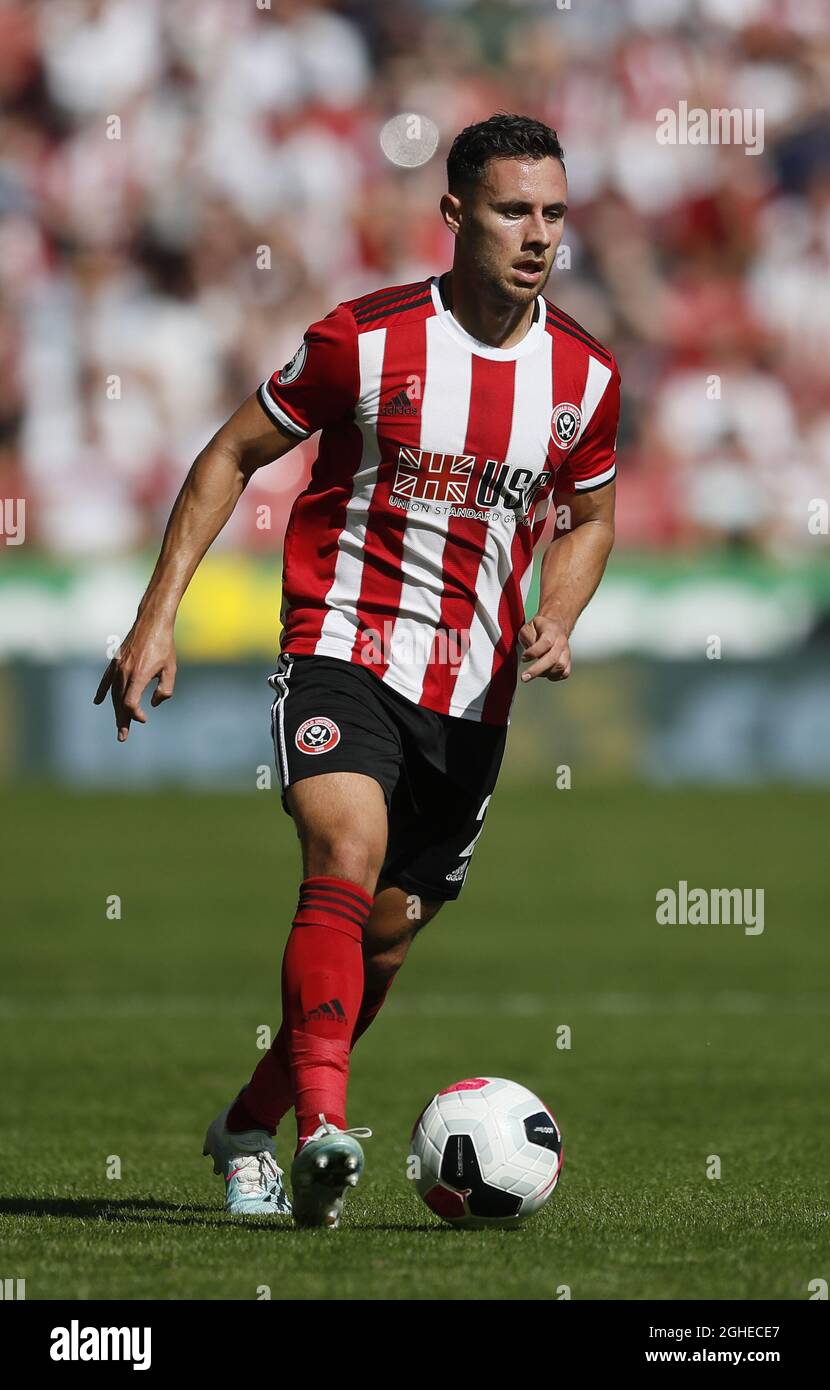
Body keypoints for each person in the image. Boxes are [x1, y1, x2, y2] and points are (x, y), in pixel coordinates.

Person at [94, 112, 620, 1228]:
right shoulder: (362, 340)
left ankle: (248, 1125)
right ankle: (327, 1131)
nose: (536, 235)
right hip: (341, 644)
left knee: (381, 936)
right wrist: (155, 618)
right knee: (342, 845)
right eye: (511, 210)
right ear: (451, 215)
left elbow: (591, 515)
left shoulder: (582, 375)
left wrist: (558, 613)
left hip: (473, 692)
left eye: (552, 214)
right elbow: (230, 453)